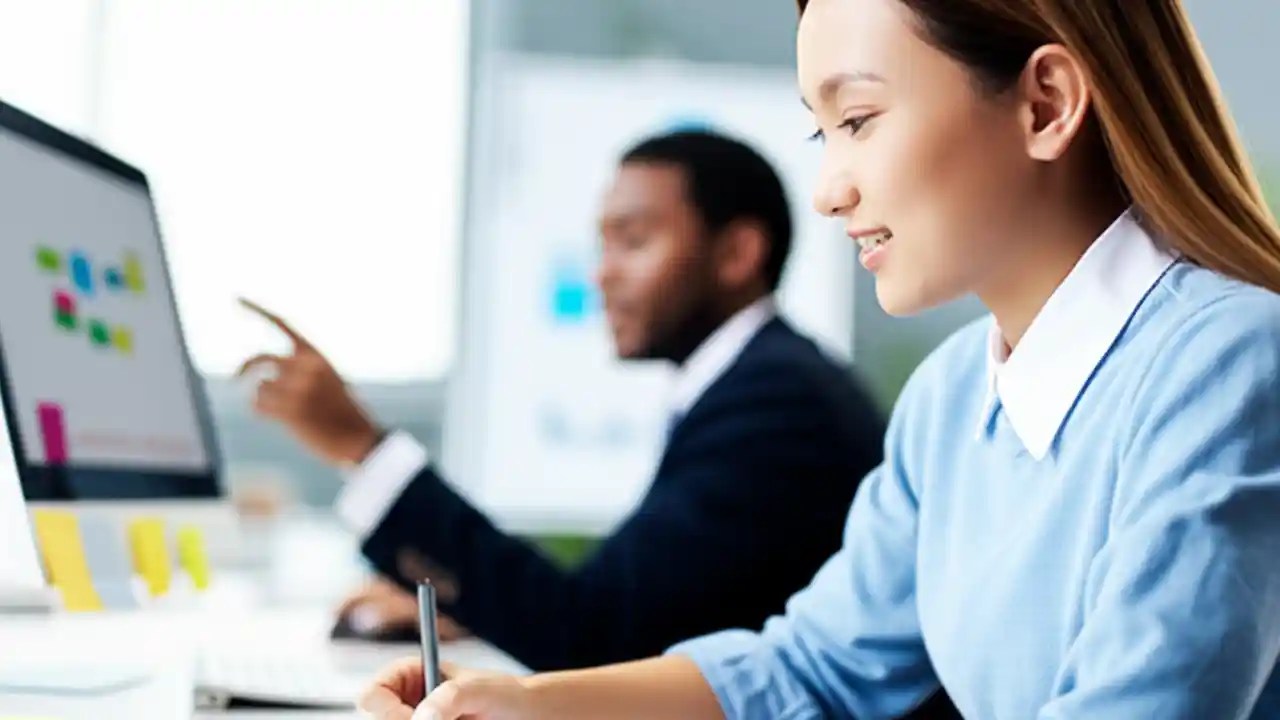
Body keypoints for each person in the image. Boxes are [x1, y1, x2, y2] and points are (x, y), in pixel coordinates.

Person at [356, 0, 1280, 718]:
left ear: (1045, 104)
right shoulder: (953, 397)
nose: (832, 191)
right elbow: (816, 668)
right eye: (821, 131)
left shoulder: (1229, 366)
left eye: (862, 119)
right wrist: (529, 705)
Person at [239, 131, 893, 672]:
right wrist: (480, 612)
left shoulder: (777, 403)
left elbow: (594, 635)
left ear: (736, 253)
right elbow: (627, 605)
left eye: (633, 241)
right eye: (602, 244)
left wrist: (362, 447)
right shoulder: (760, 381)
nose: (602, 272)